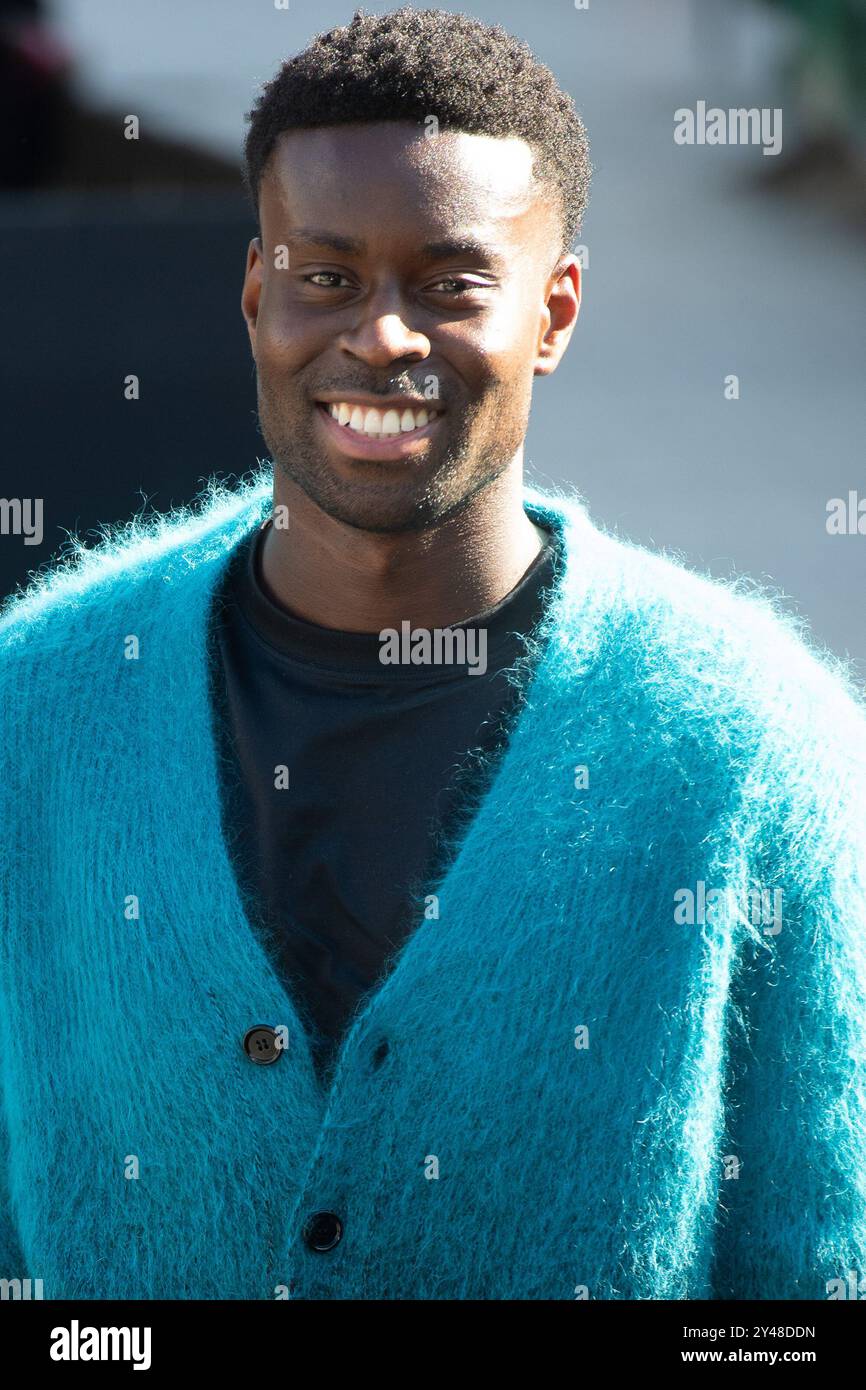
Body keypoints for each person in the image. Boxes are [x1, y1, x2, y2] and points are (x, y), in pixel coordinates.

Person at [1, 6, 865, 1302]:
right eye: (326, 277)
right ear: (257, 296)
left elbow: (819, 1259)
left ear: (554, 310)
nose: (382, 336)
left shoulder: (751, 743)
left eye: (449, 283)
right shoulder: (37, 703)